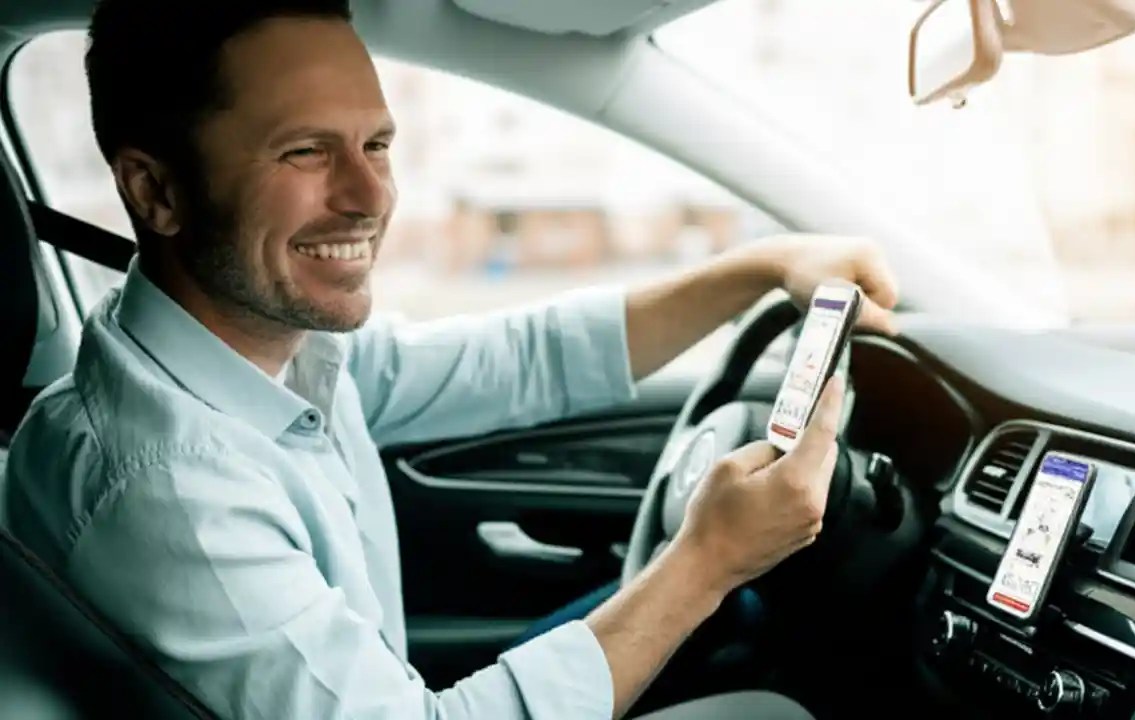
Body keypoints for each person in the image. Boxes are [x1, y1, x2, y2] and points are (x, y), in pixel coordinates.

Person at [0, 1, 900, 718]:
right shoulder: (170, 489)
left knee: (733, 626)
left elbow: (522, 360)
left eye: (377, 144)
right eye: (305, 152)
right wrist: (708, 558)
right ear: (156, 191)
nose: (370, 195)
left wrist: (760, 269)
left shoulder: (264, 356)